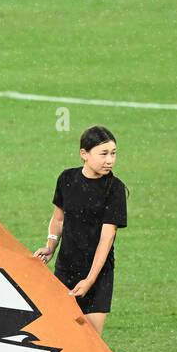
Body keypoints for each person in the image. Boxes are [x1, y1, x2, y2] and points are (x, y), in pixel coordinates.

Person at [33, 125, 128, 336]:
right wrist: (50, 246)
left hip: (98, 274)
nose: (110, 160)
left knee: (90, 340)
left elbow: (107, 238)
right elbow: (58, 219)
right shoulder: (67, 179)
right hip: (65, 268)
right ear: (84, 154)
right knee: (61, 336)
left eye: (113, 153)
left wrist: (90, 280)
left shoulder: (115, 189)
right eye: (103, 154)